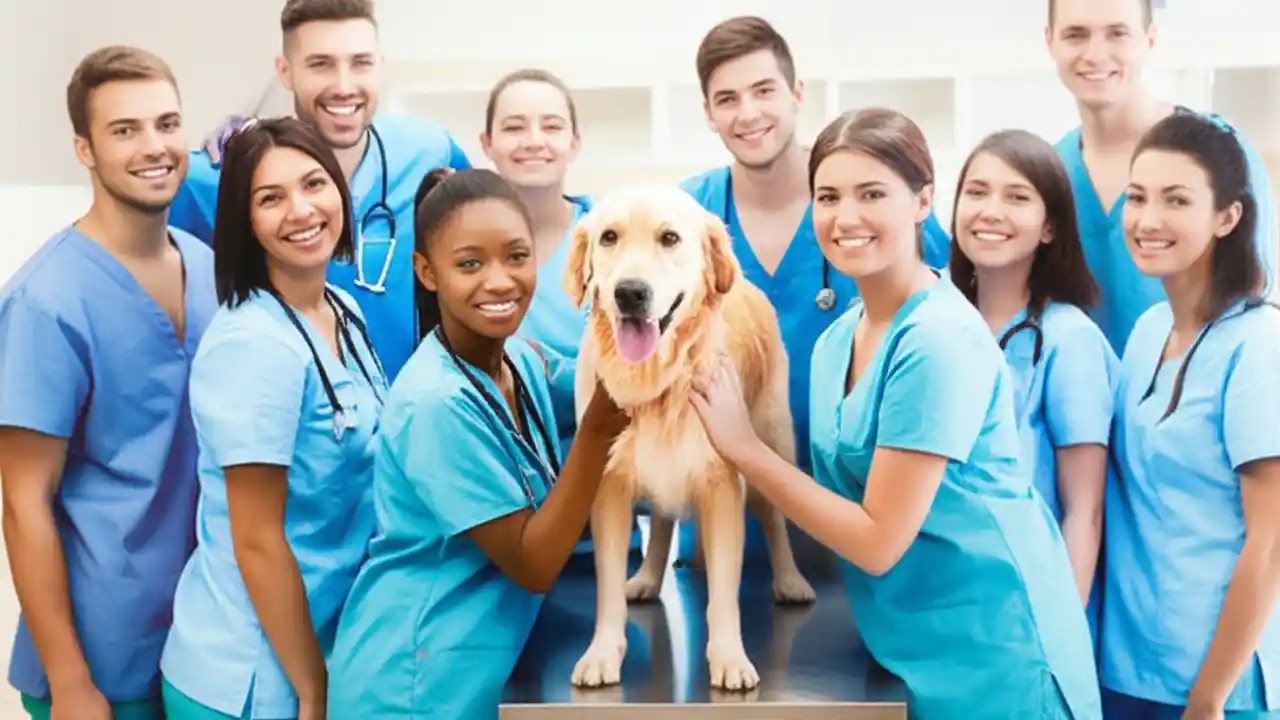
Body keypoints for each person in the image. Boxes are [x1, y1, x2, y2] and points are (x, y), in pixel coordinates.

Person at [688, 107, 1102, 719]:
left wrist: (744, 449)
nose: (845, 216)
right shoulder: (839, 340)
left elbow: (879, 540)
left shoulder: (938, 337)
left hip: (1002, 651)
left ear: (922, 201)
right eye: (827, 196)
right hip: (917, 643)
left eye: (872, 193)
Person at [326, 169, 628, 720]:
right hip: (408, 685)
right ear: (427, 272)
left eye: (517, 257)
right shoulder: (433, 405)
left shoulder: (520, 361)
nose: (500, 281)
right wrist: (597, 432)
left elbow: (598, 379)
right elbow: (534, 562)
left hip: (467, 666)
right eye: (470, 264)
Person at [0, 46, 216, 720]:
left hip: (205, 640)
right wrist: (69, 682)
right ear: (84, 149)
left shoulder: (209, 267)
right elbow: (21, 500)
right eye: (125, 130)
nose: (154, 146)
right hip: (101, 657)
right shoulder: (47, 301)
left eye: (167, 123)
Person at [158, 117, 387, 720]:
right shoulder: (252, 346)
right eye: (270, 198)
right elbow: (257, 540)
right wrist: (312, 687)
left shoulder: (340, 309)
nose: (301, 210)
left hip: (318, 647)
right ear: (244, 221)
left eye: (315, 183)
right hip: (250, 678)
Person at [681, 16, 953, 473]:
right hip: (724, 496)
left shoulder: (873, 202)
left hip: (864, 494)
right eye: (727, 99)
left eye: (764, 90)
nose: (748, 113)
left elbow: (951, 314)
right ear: (709, 113)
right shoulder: (687, 216)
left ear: (797, 93)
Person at [168, 0, 473, 379]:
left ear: (380, 65)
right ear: (285, 71)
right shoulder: (221, 176)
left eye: (360, 62)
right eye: (320, 64)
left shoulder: (427, 151)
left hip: (405, 419)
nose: (343, 87)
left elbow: (483, 239)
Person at [1103, 110, 1280, 719]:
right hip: (1131, 665)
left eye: (1177, 200)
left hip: (1217, 685)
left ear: (1228, 217)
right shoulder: (1148, 330)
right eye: (1137, 197)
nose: (1149, 220)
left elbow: (1273, 538)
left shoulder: (1258, 345)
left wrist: (1208, 699)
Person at [949, 129, 1117, 644]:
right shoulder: (938, 326)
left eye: (1017, 197)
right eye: (976, 192)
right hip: (943, 610)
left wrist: (1056, 641)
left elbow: (1083, 512)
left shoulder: (1070, 341)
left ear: (1049, 228)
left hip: (1029, 622)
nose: (990, 211)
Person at [1046, 0, 1277, 353]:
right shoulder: (1050, 170)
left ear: (1150, 39)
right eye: (1075, 35)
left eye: (1117, 33)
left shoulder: (1220, 152)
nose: (1094, 54)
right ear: (1050, 41)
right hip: (1084, 401)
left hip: (1195, 395)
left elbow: (1250, 295)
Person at [479, 68, 591, 455]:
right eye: (514, 127)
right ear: (486, 143)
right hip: (495, 477)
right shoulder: (460, 250)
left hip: (603, 481)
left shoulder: (611, 245)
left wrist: (549, 371)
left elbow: (640, 376)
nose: (534, 141)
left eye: (552, 126)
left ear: (575, 143)